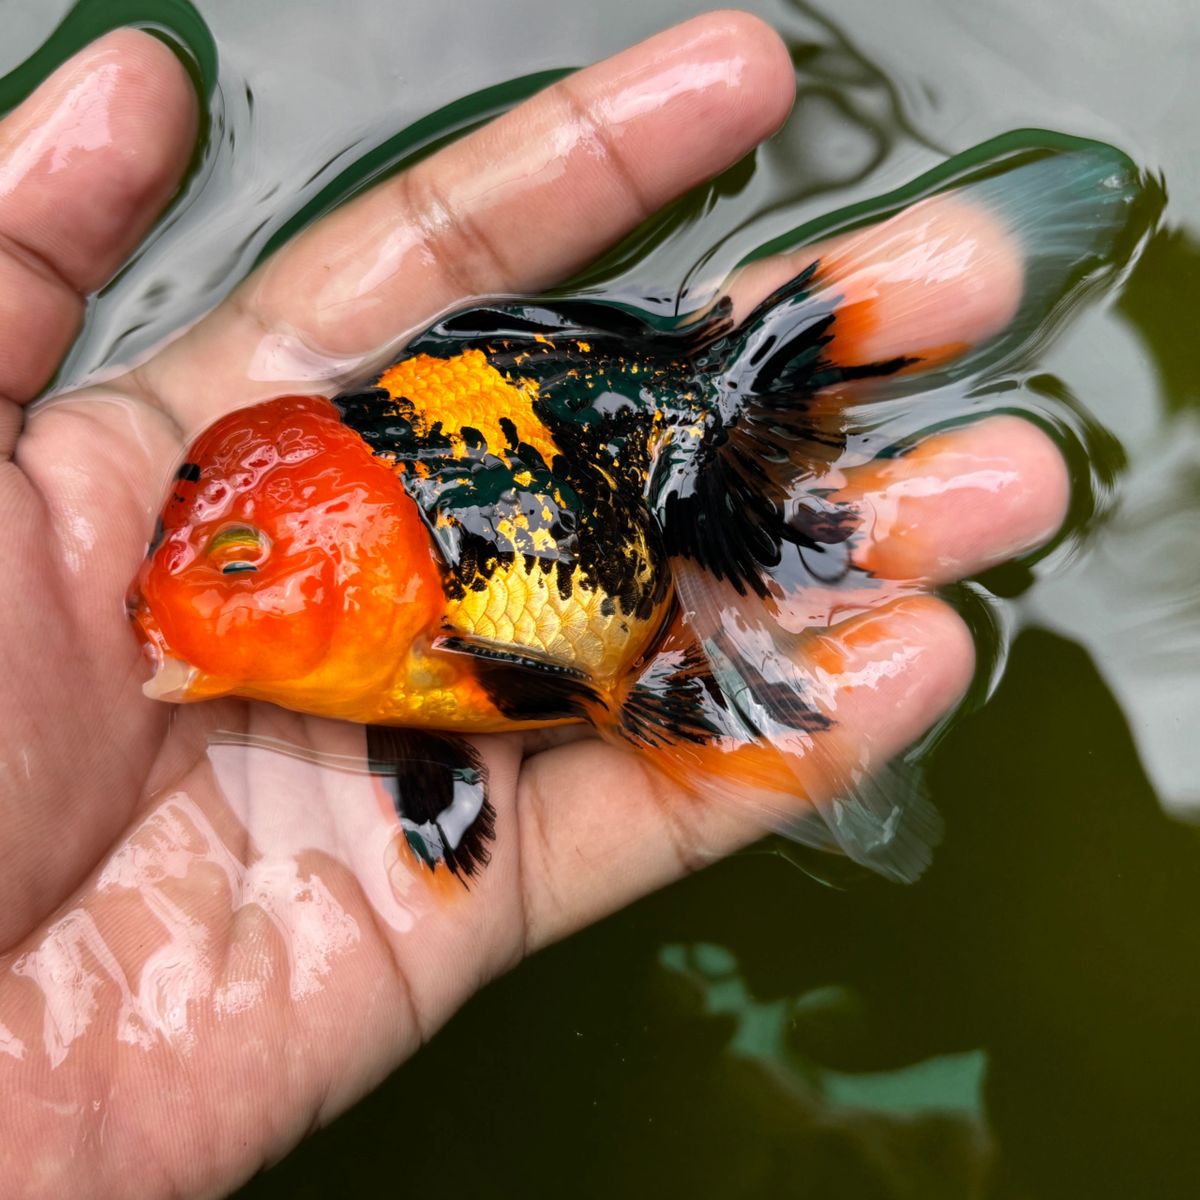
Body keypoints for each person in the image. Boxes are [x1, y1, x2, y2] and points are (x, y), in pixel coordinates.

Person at [0, 13, 1068, 1197]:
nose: (173, 586)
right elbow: (479, 700)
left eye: (241, 560)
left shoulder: (422, 613)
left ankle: (776, 392)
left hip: (577, 488)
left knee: (665, 638)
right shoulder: (361, 649)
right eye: (185, 551)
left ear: (352, 564)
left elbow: (528, 675)